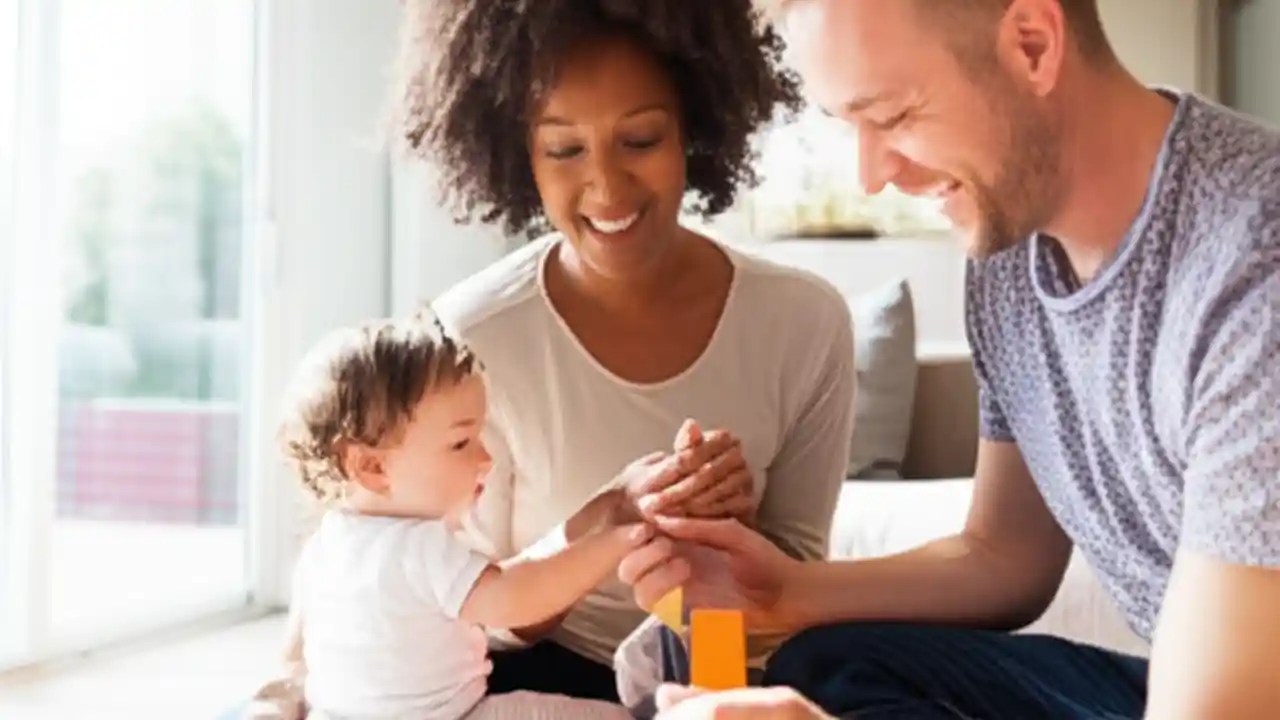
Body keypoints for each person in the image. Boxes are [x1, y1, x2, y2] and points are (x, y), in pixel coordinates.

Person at [622, 1, 1280, 718]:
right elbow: (1006, 557)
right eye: (852, 125)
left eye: (896, 117)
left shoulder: (1255, 266)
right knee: (823, 663)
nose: (873, 176)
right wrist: (781, 594)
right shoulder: (1010, 256)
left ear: (1032, 44)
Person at [394, 0, 857, 703]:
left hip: (728, 668)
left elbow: (799, 590)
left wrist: (733, 535)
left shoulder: (804, 323)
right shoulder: (470, 338)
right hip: (547, 677)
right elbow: (471, 622)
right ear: (518, 153)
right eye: (564, 150)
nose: (607, 188)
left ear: (694, 133)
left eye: (640, 140)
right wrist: (602, 523)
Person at [264, 311, 640, 719]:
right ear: (372, 468)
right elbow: (514, 599)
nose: (485, 458)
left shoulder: (324, 545)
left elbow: (296, 658)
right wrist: (615, 544)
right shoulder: (420, 545)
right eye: (461, 442)